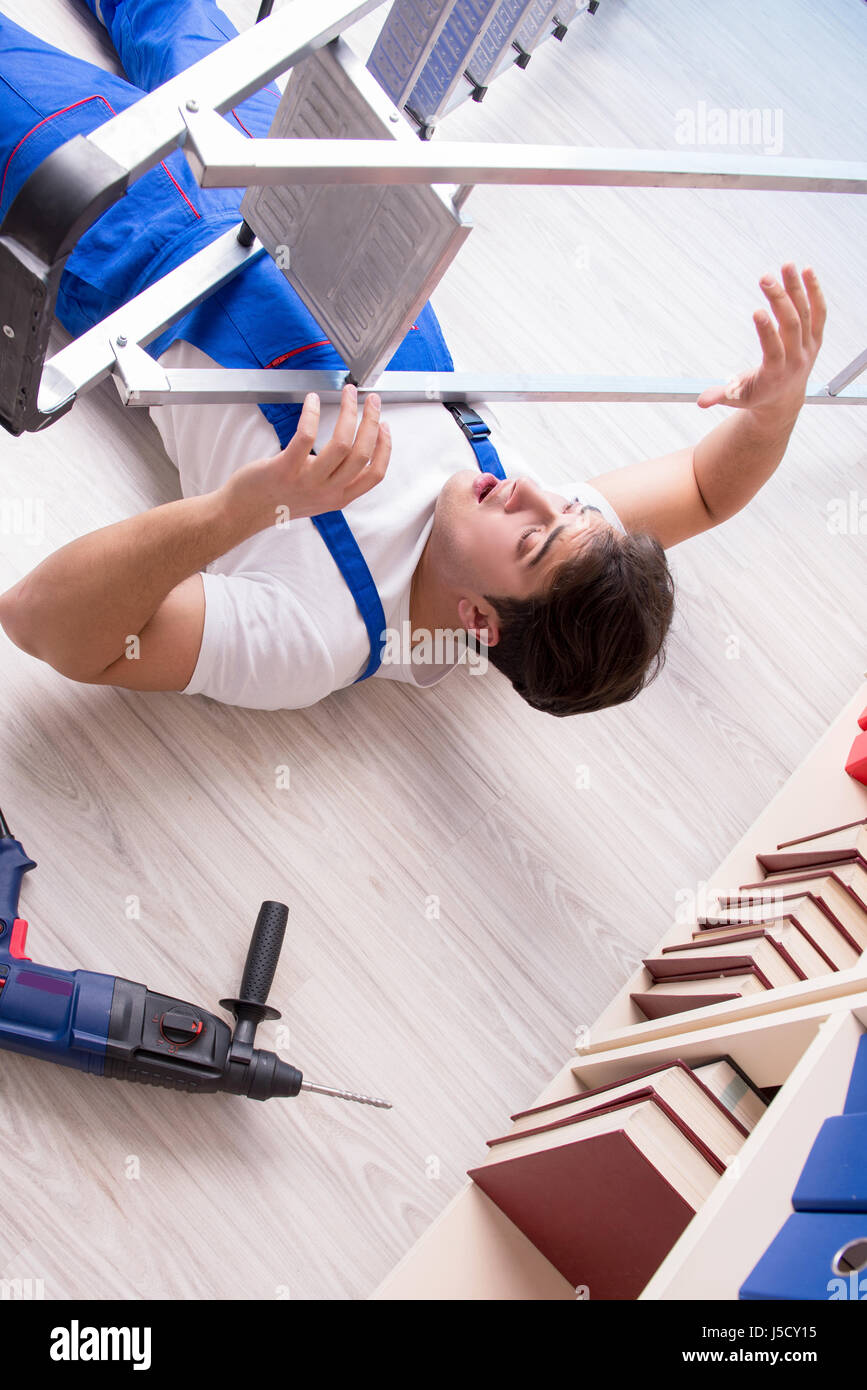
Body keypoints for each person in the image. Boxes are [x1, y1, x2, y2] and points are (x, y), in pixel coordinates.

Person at [0, 1, 826, 716]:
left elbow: (44, 622)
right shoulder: (548, 547)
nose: (536, 492)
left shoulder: (318, 633)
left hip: (152, 245)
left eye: (535, 538)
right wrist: (777, 404)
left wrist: (250, 506)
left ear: (477, 623)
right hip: (294, 183)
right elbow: (709, 492)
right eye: (570, 513)